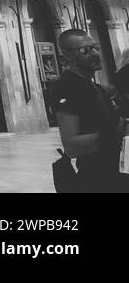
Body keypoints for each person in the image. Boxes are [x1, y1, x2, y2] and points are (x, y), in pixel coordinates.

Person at [52, 28, 127, 192]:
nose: (95, 53)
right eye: (85, 50)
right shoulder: (67, 87)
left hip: (116, 175)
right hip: (98, 181)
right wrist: (115, 132)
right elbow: (71, 145)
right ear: (66, 56)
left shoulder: (94, 87)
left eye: (95, 48)